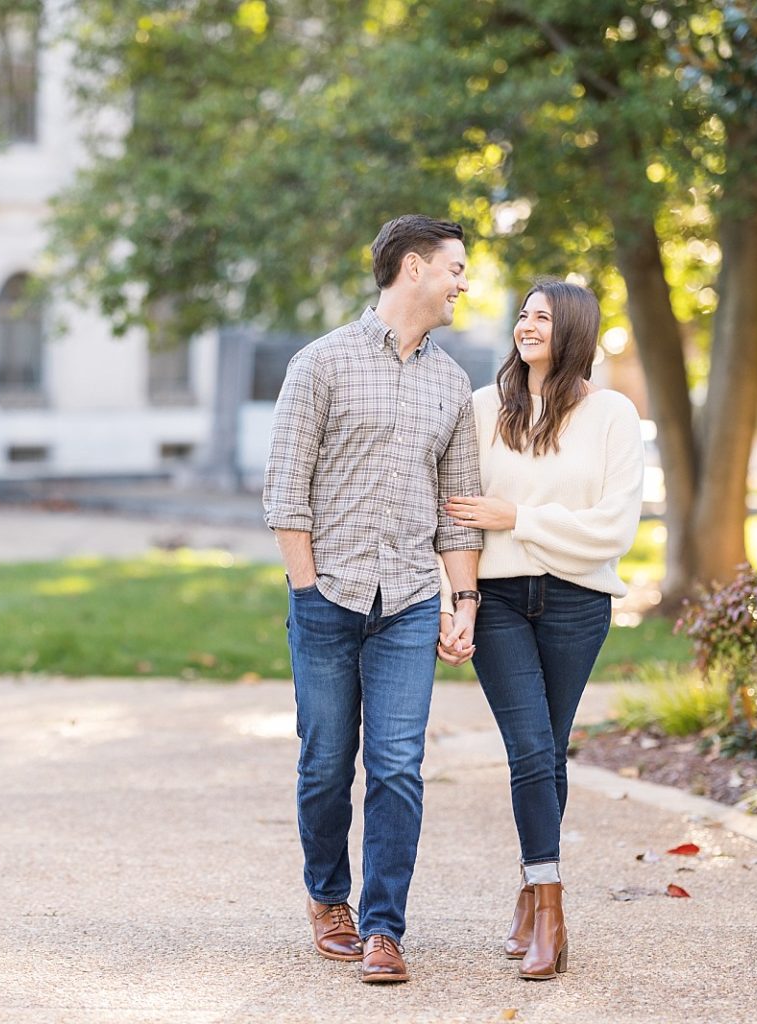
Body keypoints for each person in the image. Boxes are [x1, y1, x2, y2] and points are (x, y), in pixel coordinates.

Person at [263, 214, 485, 984]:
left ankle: (384, 928)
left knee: (397, 765)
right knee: (326, 762)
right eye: (456, 268)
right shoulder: (320, 364)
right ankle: (329, 901)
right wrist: (308, 587)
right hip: (329, 598)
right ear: (415, 269)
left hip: (411, 603)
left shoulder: (452, 384)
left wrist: (464, 603)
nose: (464, 283)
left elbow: (459, 505)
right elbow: (285, 493)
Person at [437, 278, 644, 981]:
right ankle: (551, 911)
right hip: (495, 600)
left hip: (579, 603)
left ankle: (529, 891)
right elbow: (456, 513)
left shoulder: (613, 414)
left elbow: (612, 529)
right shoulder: (480, 409)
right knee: (528, 749)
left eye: (544, 317)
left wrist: (518, 519)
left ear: (575, 331)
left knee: (549, 750)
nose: (527, 326)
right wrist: (453, 599)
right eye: (523, 315)